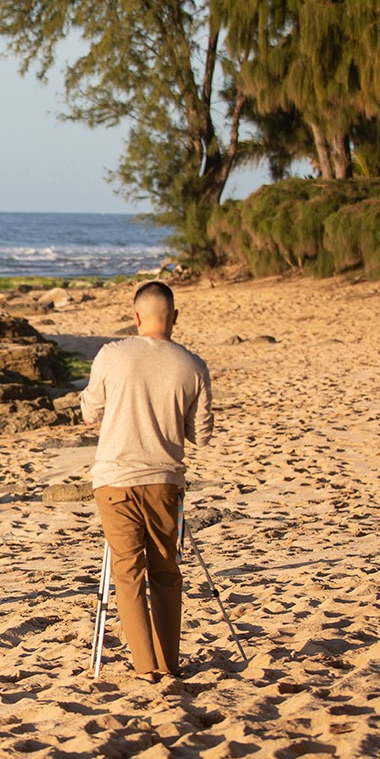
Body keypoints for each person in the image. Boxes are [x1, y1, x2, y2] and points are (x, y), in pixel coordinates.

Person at [80, 281, 213, 682]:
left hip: (114, 481)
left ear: (136, 317)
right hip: (164, 481)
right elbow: (201, 435)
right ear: (174, 317)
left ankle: (145, 666)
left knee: (128, 572)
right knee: (166, 572)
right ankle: (169, 664)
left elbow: (90, 412)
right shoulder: (192, 365)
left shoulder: (111, 354)